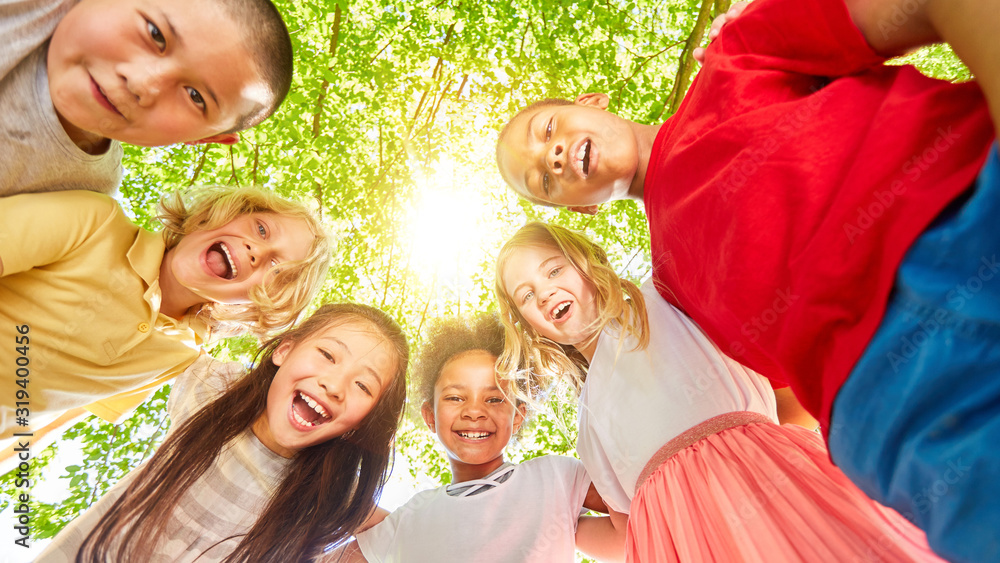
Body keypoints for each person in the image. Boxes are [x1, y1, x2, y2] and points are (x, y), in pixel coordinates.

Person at [493, 0, 1000, 560]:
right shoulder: (679, 290)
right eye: (542, 177)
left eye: (546, 130)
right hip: (889, 416)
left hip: (960, 234)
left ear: (589, 102)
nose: (554, 155)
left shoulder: (732, 59)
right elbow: (790, 393)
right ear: (577, 209)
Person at [495, 222, 944, 563]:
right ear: (528, 326)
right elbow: (627, 534)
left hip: (782, 495)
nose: (545, 290)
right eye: (527, 295)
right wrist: (551, 519)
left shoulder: (668, 296)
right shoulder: (588, 425)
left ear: (587, 262)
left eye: (554, 269)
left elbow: (787, 391)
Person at [34, 303, 409, 562]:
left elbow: (410, 532)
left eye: (363, 386)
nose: (334, 384)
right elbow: (157, 324)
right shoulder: (216, 389)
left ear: (361, 422)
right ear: (283, 350)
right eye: (328, 355)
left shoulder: (330, 495)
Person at [0, 186, 331, 468]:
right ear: (218, 214)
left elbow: (60, 416)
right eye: (261, 229)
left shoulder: (180, 355)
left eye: (276, 270)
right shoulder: (95, 224)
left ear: (256, 303)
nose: (256, 251)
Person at [325, 314, 626, 563]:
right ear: (430, 416)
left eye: (494, 399)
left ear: (517, 416)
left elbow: (628, 536)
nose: (474, 411)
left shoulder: (557, 477)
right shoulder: (407, 520)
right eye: (456, 397)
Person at [0, 0, 292, 195]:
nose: (142, 83)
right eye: (156, 34)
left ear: (203, 139)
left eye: (195, 97)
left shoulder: (84, 199)